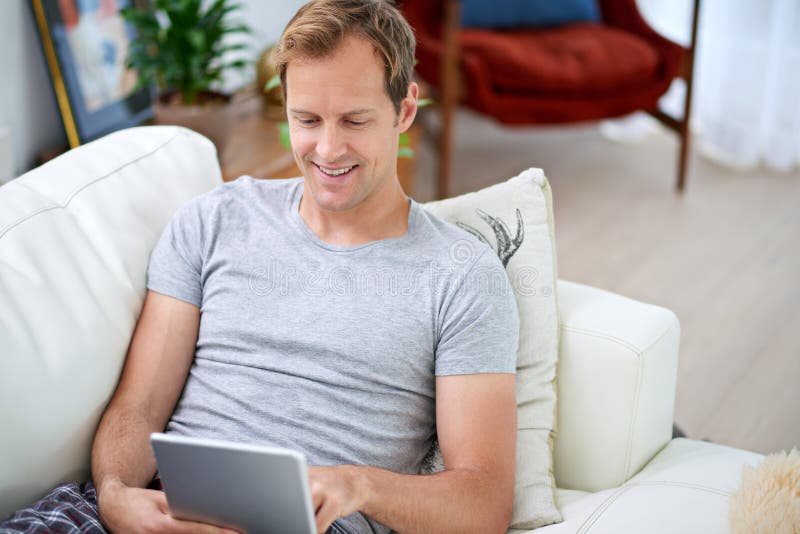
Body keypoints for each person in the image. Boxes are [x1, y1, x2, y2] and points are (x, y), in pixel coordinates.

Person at [0, 1, 519, 532]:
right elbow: (138, 405)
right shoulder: (213, 221)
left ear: (405, 111)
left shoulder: (462, 275)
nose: (328, 149)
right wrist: (115, 496)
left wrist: (356, 485)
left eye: (355, 120)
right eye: (307, 120)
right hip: (155, 508)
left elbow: (483, 503)